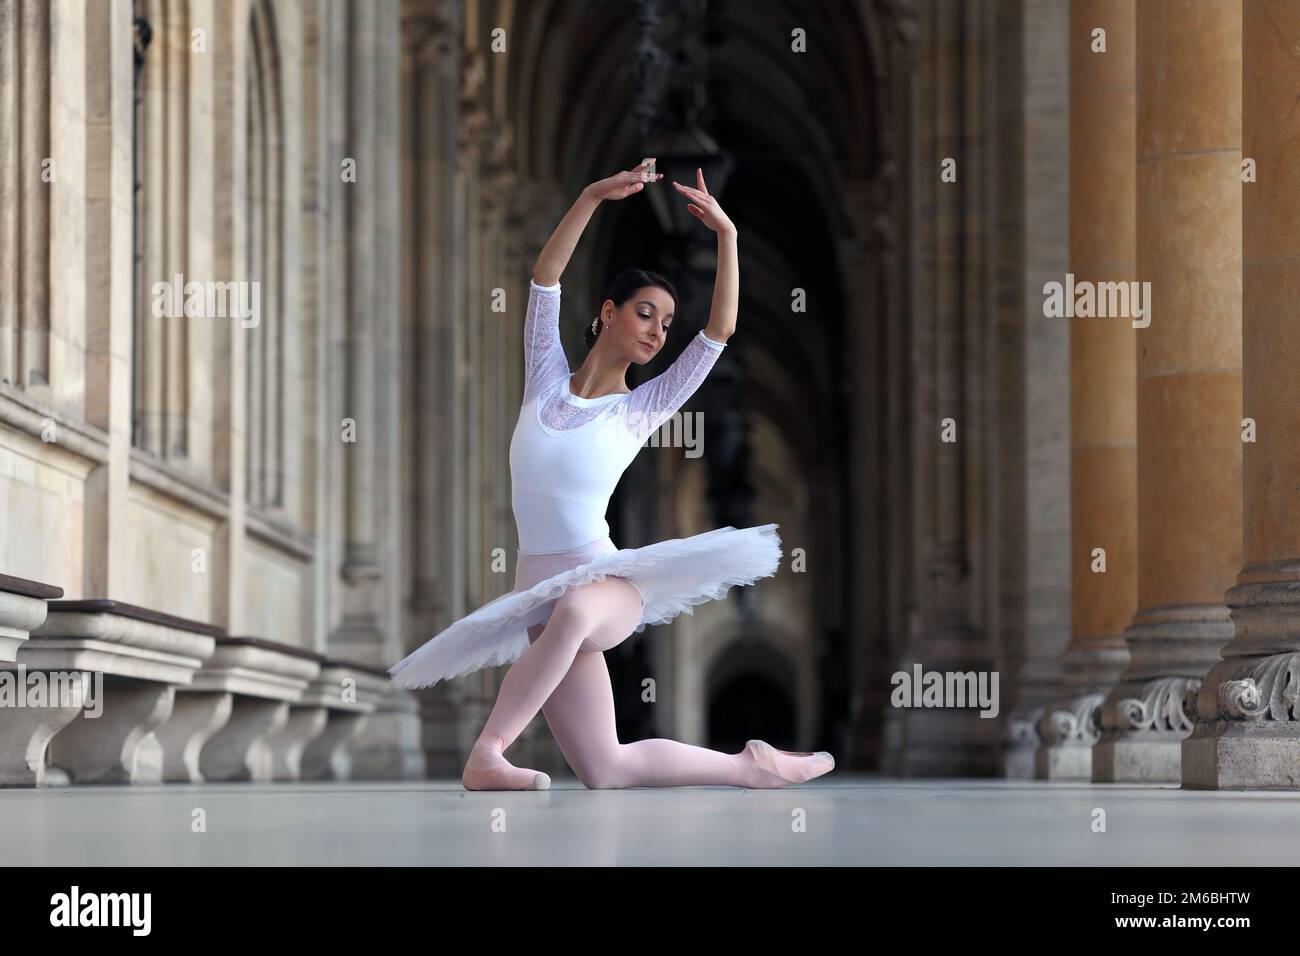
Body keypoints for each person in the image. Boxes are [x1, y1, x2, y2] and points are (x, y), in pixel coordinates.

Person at [389, 159, 835, 791]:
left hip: (604, 584)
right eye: (646, 313)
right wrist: (594, 194)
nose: (657, 332)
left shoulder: (641, 409)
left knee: (573, 611)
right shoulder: (544, 381)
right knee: (607, 768)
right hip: (538, 592)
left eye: (664, 323)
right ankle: (751, 767)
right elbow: (545, 277)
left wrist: (728, 238)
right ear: (608, 311)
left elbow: (719, 331)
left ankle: (487, 751)